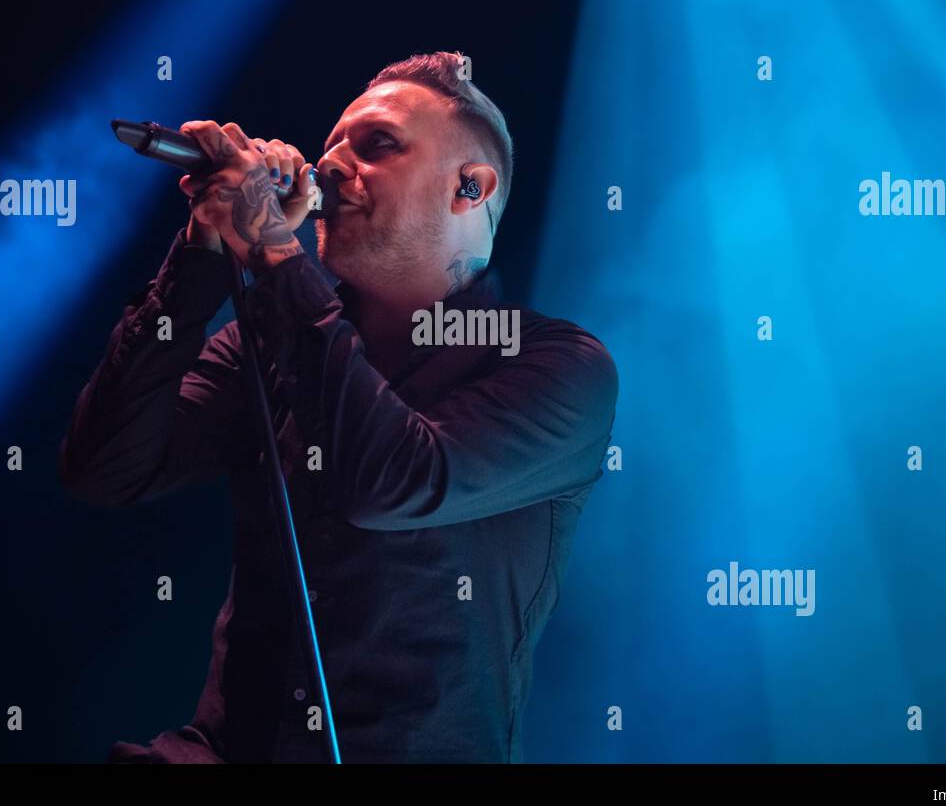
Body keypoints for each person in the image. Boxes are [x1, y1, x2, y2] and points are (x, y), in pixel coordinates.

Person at [59, 51, 619, 762]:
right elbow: (103, 469)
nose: (327, 168)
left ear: (470, 187)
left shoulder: (557, 367)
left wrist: (271, 249)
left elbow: (390, 481)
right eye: (328, 150)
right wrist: (203, 246)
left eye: (377, 145)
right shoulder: (263, 340)